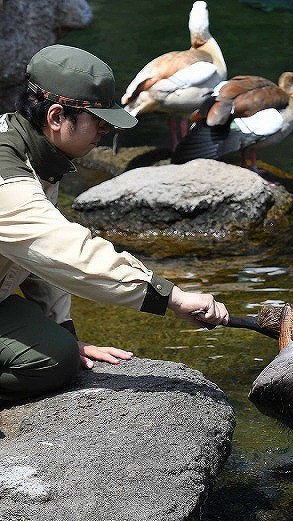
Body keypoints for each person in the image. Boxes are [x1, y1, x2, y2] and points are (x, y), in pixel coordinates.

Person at [0, 44, 229, 402]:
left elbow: (36, 255)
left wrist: (65, 329)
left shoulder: (38, 152)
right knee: (51, 363)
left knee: (59, 348)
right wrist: (171, 297)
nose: (105, 132)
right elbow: (62, 249)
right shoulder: (6, 174)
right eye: (100, 121)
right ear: (57, 117)